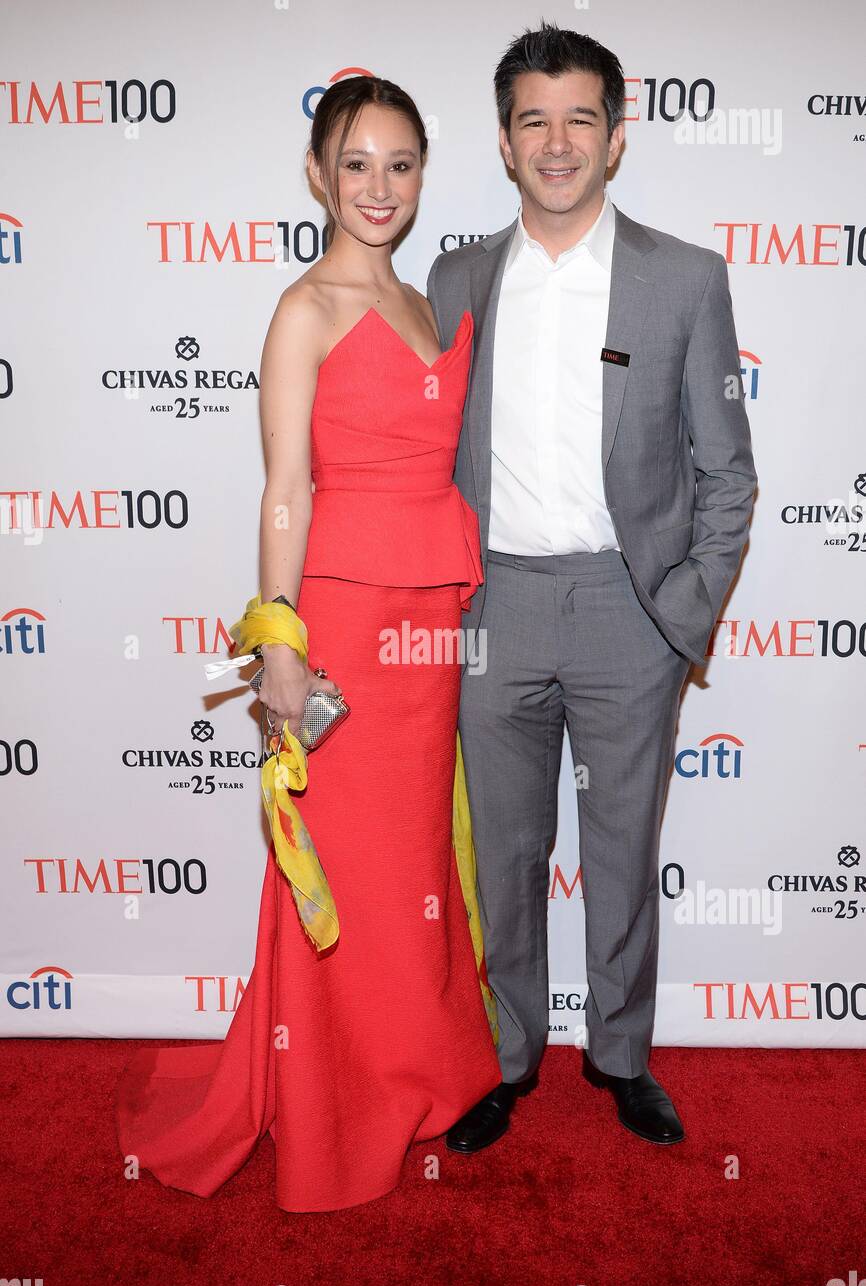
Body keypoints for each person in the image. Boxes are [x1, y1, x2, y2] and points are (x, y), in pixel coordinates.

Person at [115, 75, 501, 1213]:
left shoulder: (430, 300)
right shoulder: (306, 308)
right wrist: (278, 641)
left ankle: (429, 1068)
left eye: (399, 164)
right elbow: (286, 487)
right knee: (349, 863)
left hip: (432, 619)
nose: (378, 186)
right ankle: (343, 1091)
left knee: (418, 861)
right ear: (316, 174)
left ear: (423, 174)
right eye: (356, 164)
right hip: (341, 618)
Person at [426, 24, 757, 1154]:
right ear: (506, 141)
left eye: (579, 119)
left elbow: (727, 468)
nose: (555, 142)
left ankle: (619, 1055)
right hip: (496, 608)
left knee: (620, 849)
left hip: (631, 610)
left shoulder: (683, 277)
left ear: (615, 138)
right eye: (532, 120)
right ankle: (504, 1058)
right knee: (506, 854)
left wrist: (683, 612)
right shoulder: (457, 277)